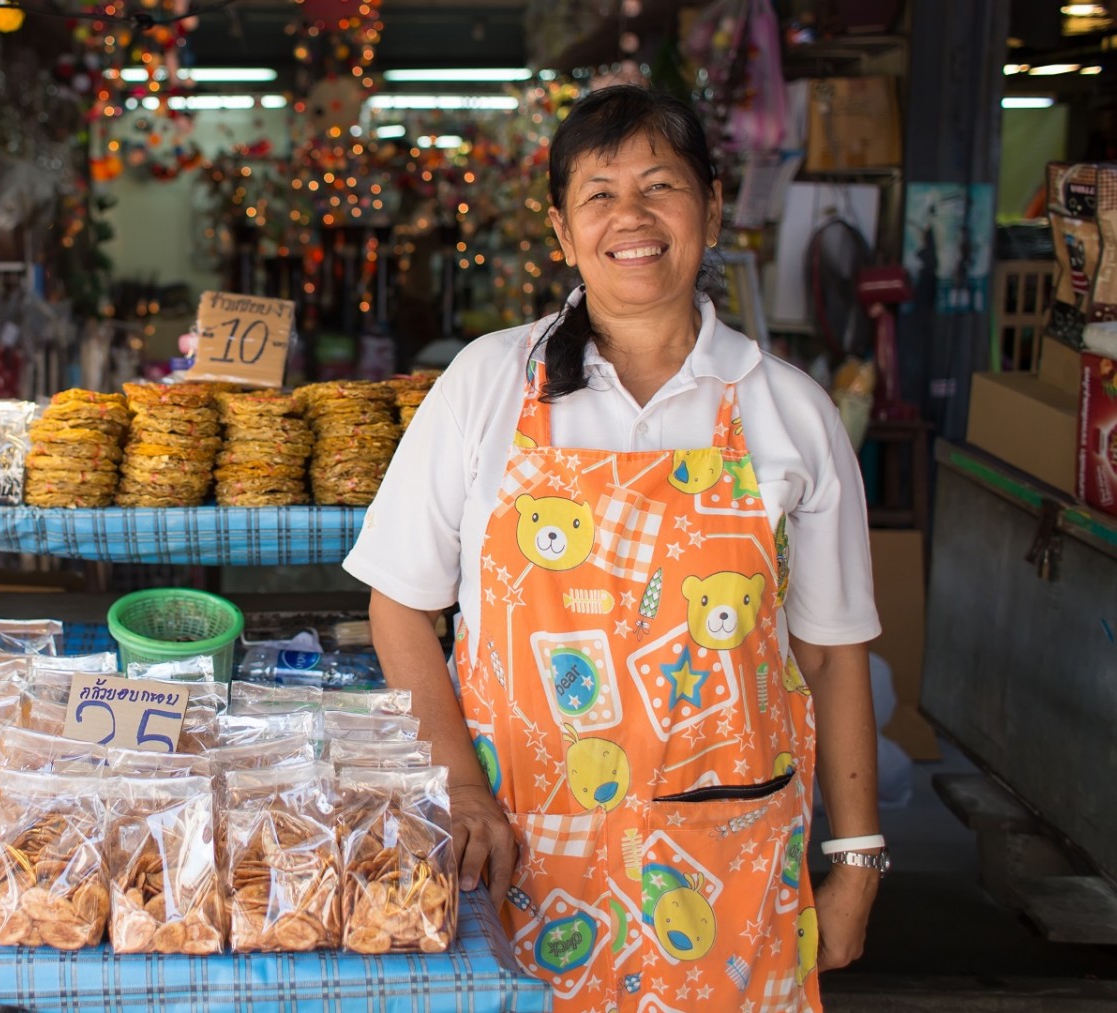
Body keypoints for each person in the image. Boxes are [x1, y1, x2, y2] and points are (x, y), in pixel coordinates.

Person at [344, 86, 883, 1012]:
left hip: (725, 874)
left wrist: (858, 862)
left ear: (712, 209)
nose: (629, 218)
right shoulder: (486, 384)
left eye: (659, 186)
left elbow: (833, 655)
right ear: (561, 230)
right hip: (514, 863)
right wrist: (461, 792)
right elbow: (398, 603)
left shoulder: (789, 410)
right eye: (598, 194)